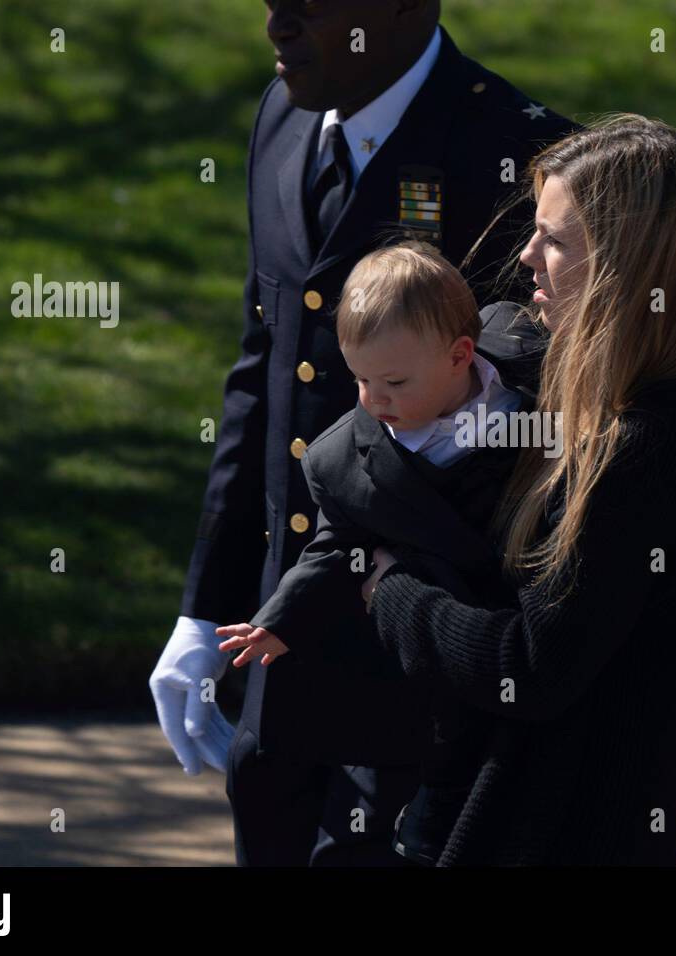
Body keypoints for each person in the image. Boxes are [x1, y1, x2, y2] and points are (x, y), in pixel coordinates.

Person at [147, 0, 575, 866]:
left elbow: (534, 428)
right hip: (282, 642)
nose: (279, 23)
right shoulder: (285, 117)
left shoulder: (519, 157)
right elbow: (264, 368)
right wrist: (208, 605)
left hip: (414, 672)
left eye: (309, 1)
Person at [360, 114, 676, 865]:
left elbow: (527, 667)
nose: (528, 255)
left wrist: (390, 590)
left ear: (627, 267)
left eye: (556, 240)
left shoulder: (647, 445)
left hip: (551, 832)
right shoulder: (588, 391)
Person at [212, 242, 548, 866]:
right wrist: (283, 618)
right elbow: (336, 546)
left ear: (460, 357)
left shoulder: (530, 372)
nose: (373, 399)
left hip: (521, 632)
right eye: (359, 379)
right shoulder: (345, 461)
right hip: (429, 664)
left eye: (393, 382)